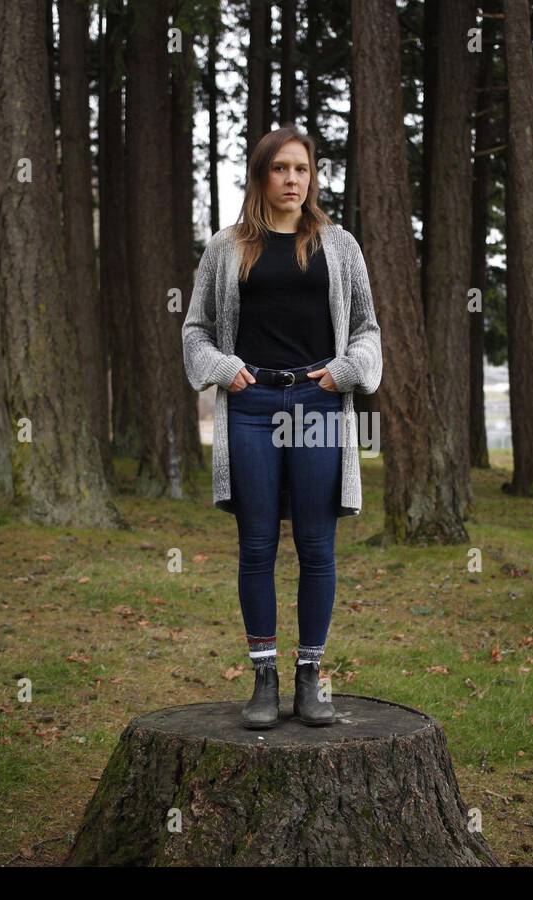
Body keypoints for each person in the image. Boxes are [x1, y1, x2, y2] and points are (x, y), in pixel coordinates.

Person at [181, 126, 382, 729]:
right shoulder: (226, 248)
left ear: (312, 177)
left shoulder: (339, 246)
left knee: (317, 546)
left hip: (318, 404)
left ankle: (310, 678)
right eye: (280, 169)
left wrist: (345, 372)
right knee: (257, 545)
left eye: (302, 169)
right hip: (252, 405)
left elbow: (367, 329)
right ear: (261, 176)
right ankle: (264, 679)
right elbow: (196, 330)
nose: (292, 179)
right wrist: (225, 369)